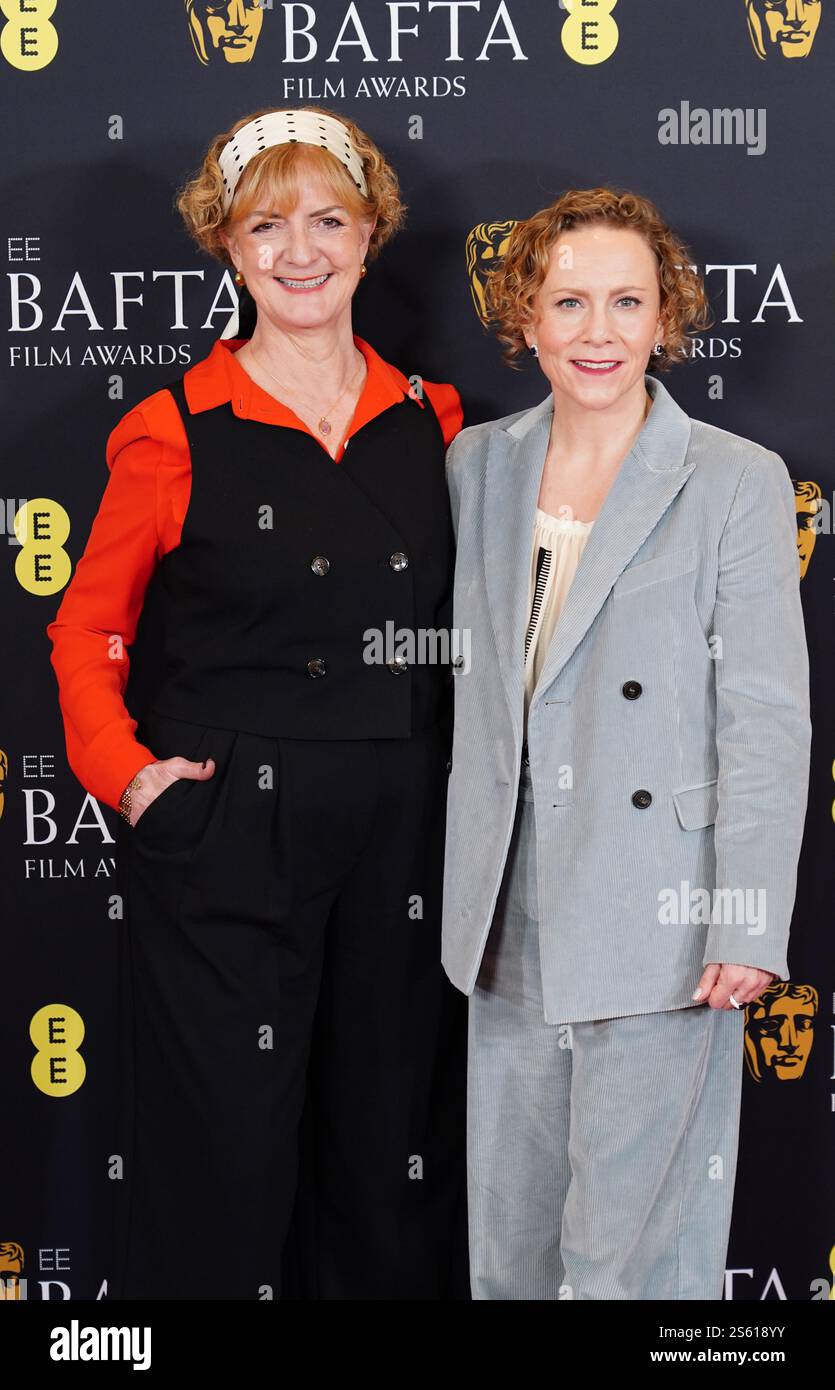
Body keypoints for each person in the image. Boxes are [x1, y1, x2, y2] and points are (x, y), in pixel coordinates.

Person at [46, 104, 469, 1300]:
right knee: (218, 1160)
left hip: (405, 830)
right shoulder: (172, 429)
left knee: (389, 1156)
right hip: (229, 828)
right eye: (265, 224)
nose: (299, 250)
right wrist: (128, 778)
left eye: (327, 220)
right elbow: (87, 627)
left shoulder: (435, 421)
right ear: (225, 246)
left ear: (372, 234)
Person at [441, 186, 812, 1300]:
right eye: (567, 302)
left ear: (666, 318)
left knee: (635, 1256)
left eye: (624, 302)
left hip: (661, 910)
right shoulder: (477, 466)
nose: (596, 332)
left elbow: (765, 713)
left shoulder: (732, 478)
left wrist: (745, 915)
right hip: (505, 912)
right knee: (509, 1244)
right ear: (526, 319)